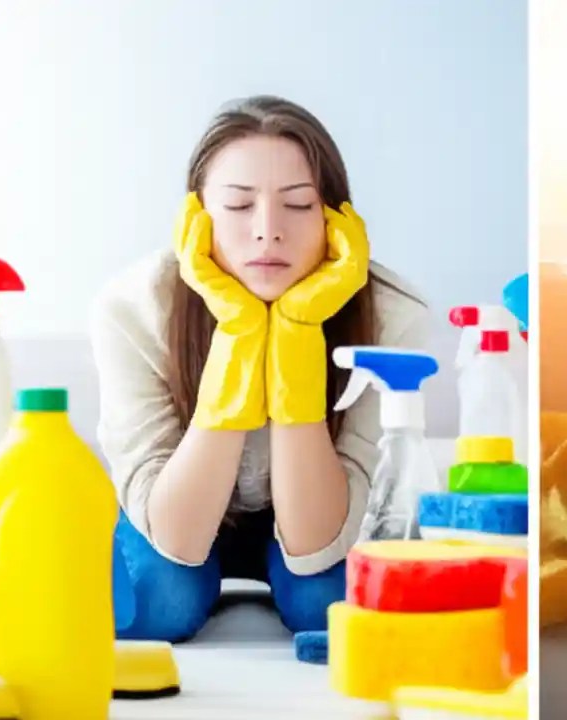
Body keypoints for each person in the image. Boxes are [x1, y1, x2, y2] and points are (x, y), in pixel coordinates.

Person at [91, 95, 430, 642]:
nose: (268, 230)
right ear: (196, 220)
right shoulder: (132, 309)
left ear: (338, 222)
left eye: (298, 204)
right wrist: (240, 332)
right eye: (238, 204)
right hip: (177, 509)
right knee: (161, 602)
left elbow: (318, 542)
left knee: (325, 604)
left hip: (313, 514)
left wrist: (296, 329)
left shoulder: (394, 317)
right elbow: (176, 537)